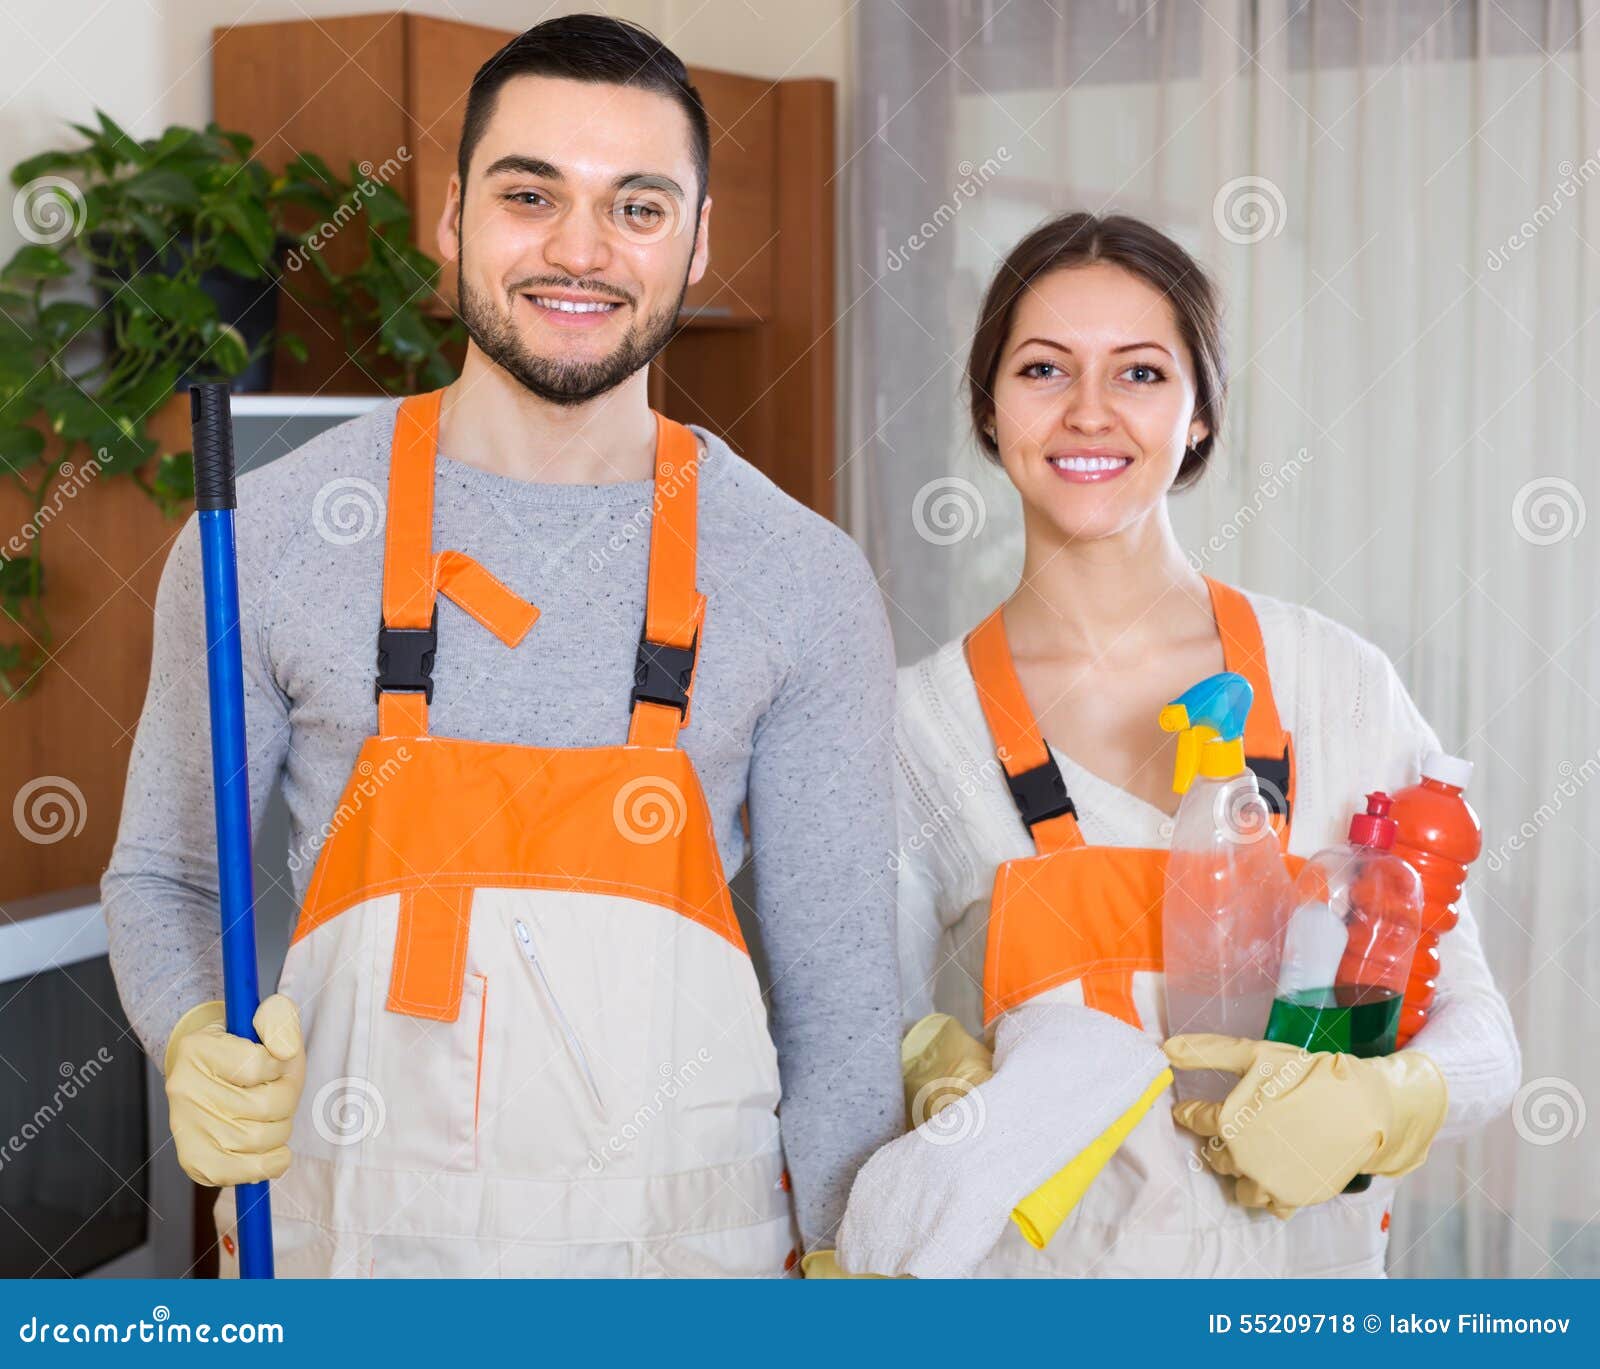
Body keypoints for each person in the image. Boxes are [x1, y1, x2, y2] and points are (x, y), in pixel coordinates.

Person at [102, 14, 902, 1278]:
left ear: (698, 242)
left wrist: (858, 1265)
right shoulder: (271, 537)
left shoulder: (801, 578)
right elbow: (168, 879)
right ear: (452, 216)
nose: (578, 250)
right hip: (351, 1271)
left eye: (638, 207)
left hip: (687, 1288)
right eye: (531, 194)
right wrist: (197, 1032)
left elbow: (843, 1002)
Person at [847, 212, 1520, 1278]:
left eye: (1141, 374)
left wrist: (1388, 1098)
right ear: (988, 406)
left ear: (1199, 414)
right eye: (1041, 368)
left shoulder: (1331, 684)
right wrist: (926, 1074)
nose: (1088, 412)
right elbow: (854, 1040)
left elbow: (1482, 1037)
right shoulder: (919, 729)